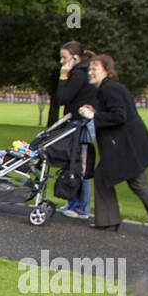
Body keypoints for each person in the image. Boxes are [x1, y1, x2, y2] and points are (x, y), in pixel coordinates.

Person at [79, 53, 148, 241]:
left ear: (106, 70)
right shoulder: (106, 89)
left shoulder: (110, 89)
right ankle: (109, 220)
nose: (90, 72)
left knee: (138, 183)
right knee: (101, 175)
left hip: (126, 146)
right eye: (90, 69)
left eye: (95, 69)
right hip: (124, 145)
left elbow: (119, 116)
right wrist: (95, 111)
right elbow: (114, 112)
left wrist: (94, 117)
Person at [54, 41, 96, 218]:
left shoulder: (79, 74)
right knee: (74, 163)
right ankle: (73, 202)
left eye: (65, 57)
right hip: (76, 123)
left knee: (81, 164)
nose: (62, 61)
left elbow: (62, 97)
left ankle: (82, 208)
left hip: (82, 124)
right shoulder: (82, 72)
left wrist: (63, 76)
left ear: (75, 57)